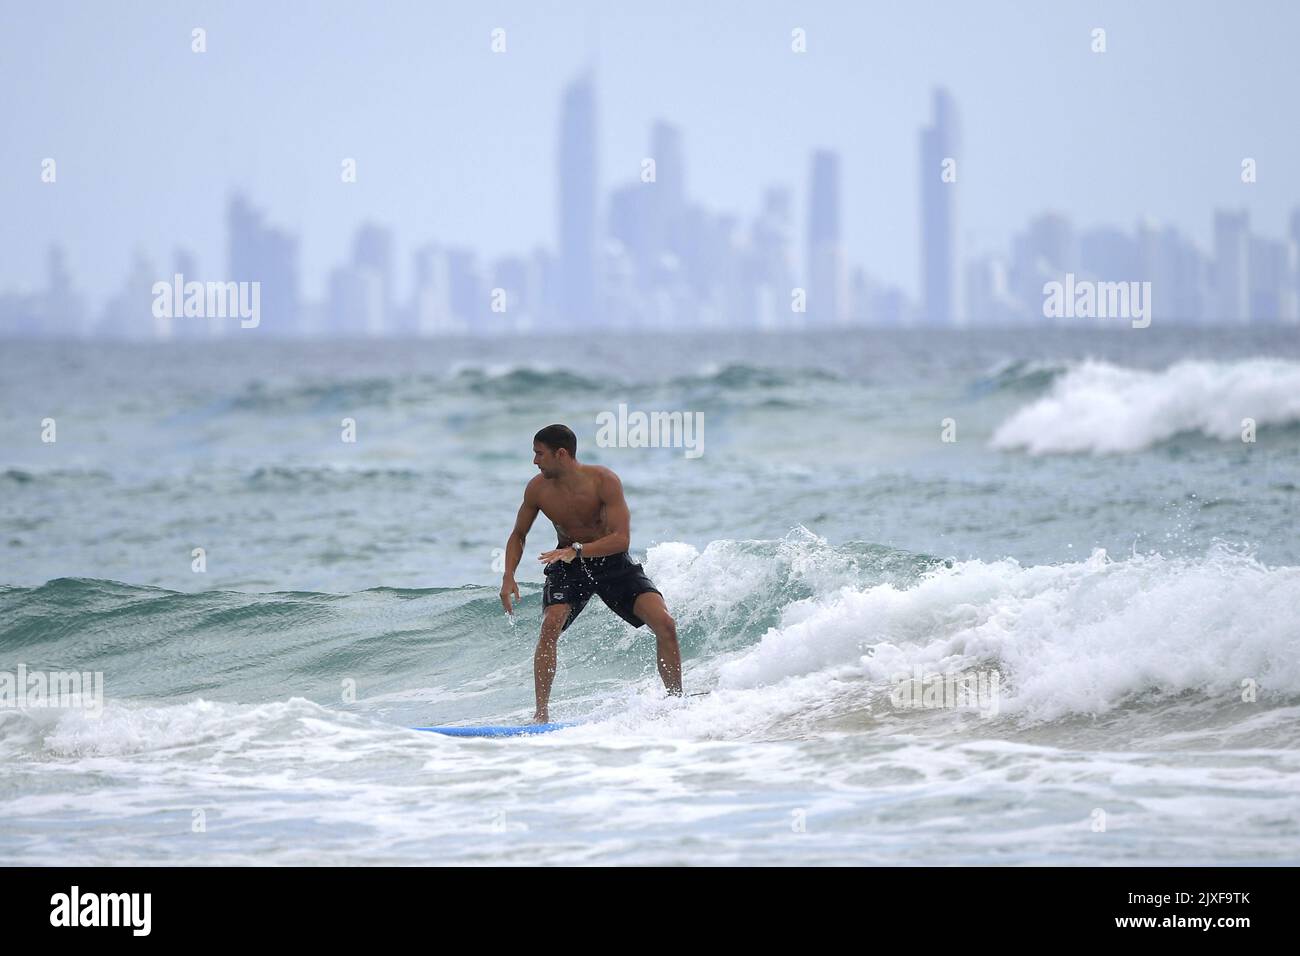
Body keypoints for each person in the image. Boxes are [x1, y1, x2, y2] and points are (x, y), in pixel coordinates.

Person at [499, 423, 683, 723]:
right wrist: (508, 575)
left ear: (561, 454)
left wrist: (579, 550)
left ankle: (677, 703)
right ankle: (541, 716)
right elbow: (518, 534)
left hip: (611, 562)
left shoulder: (603, 481)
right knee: (550, 627)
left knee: (665, 623)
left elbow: (622, 539)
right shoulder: (537, 489)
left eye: (539, 454)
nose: (534, 461)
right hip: (568, 565)